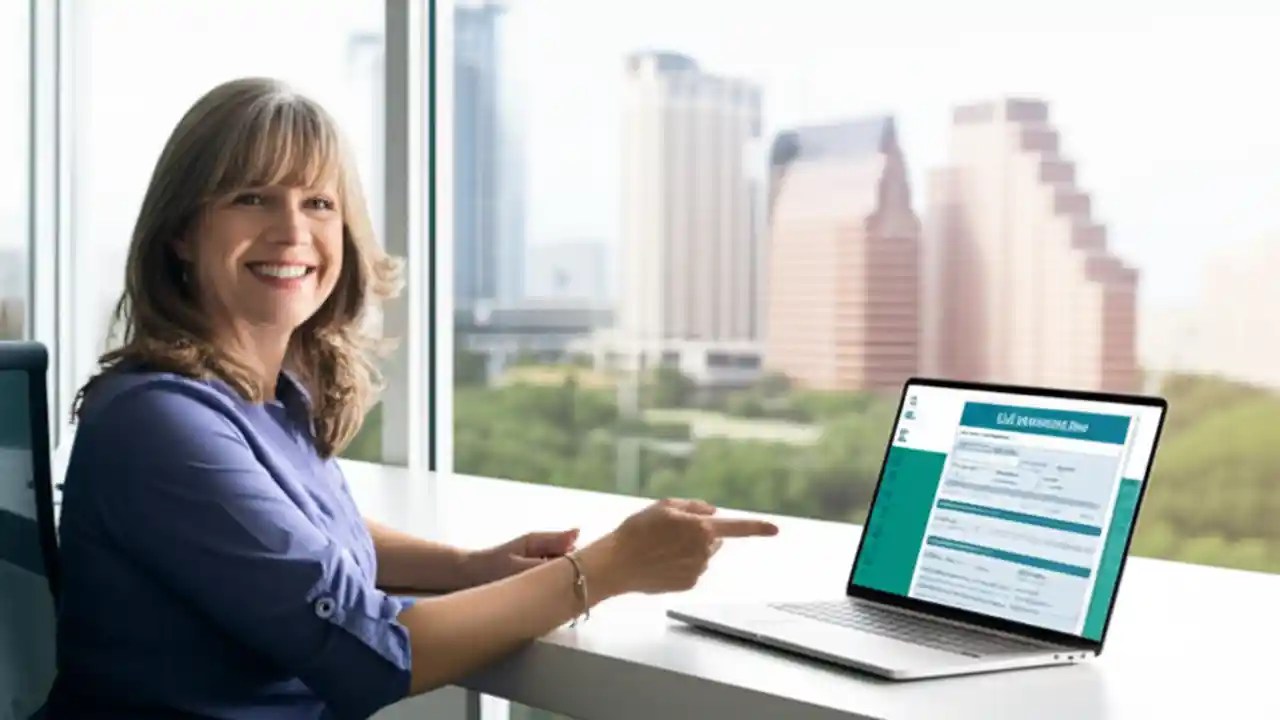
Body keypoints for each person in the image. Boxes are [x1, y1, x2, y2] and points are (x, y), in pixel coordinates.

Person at [44, 77, 779, 719]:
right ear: (181, 232)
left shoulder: (264, 402)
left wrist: (469, 567)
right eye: (252, 197)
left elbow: (299, 530)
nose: (292, 231)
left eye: (320, 202)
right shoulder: (160, 423)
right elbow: (374, 655)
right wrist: (613, 567)